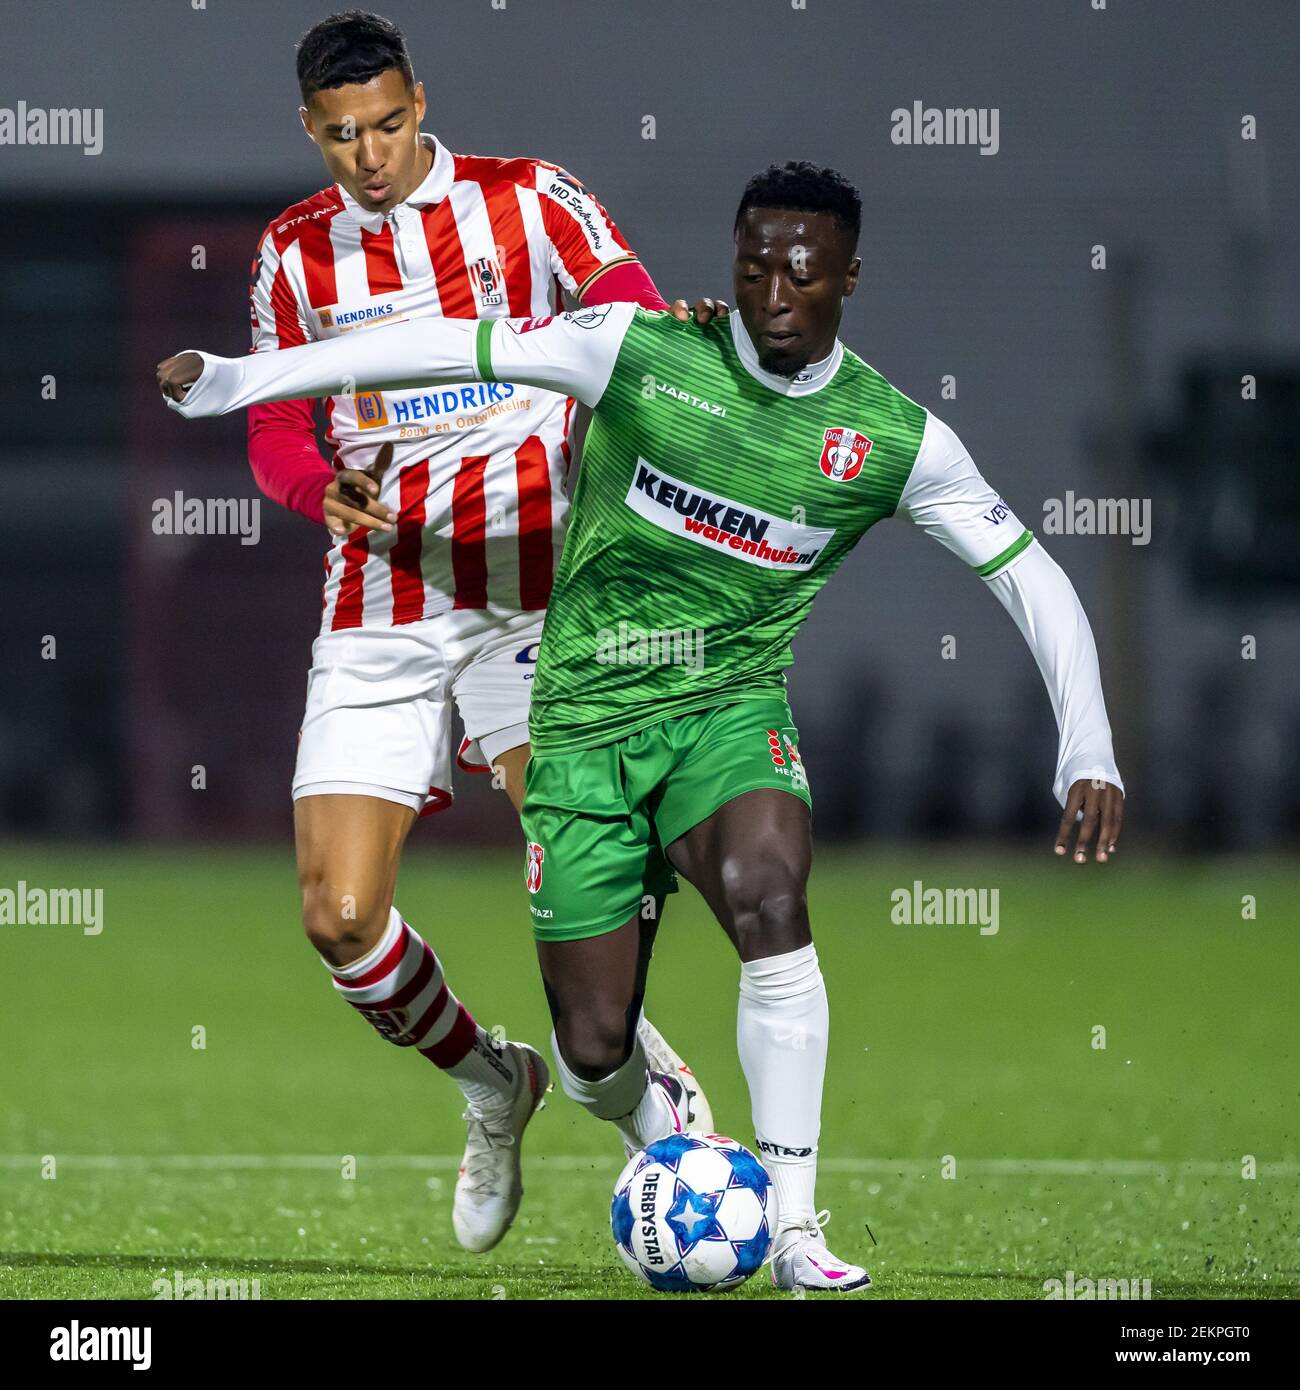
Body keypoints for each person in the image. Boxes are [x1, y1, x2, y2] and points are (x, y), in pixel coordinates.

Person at [158, 160, 1126, 1293]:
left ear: (848, 280)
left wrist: (1089, 744)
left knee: (771, 894)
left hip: (727, 713)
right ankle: (599, 1095)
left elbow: (1031, 576)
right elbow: (433, 347)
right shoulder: (632, 351)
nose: (774, 290)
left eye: (801, 270)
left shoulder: (894, 439)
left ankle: (801, 1229)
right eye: (754, 264)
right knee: (593, 1044)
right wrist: (238, 383)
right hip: (580, 723)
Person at [223, 9, 710, 1255]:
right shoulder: (293, 257)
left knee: (575, 854)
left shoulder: (529, 201)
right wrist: (306, 485)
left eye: (387, 124)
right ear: (310, 132)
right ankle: (495, 1083)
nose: (369, 154)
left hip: (535, 594)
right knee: (337, 917)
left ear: (420, 102)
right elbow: (275, 422)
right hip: (382, 602)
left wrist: (665, 345)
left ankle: (639, 1079)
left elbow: (621, 304)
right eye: (342, 136)